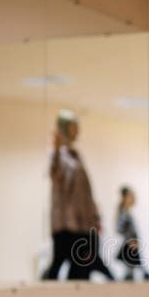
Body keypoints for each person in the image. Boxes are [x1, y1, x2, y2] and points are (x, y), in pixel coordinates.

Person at [44, 110, 114, 282]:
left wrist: (95, 218)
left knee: (82, 268)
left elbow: (85, 195)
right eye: (74, 127)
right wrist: (56, 147)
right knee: (60, 264)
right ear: (65, 128)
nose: (78, 131)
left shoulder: (77, 156)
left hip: (83, 226)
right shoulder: (58, 155)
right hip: (66, 227)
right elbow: (55, 173)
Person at [116, 186, 149, 281]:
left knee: (134, 265)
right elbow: (120, 228)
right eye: (131, 196)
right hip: (130, 243)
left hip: (132, 243)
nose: (134, 199)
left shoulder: (126, 212)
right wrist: (130, 239)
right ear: (126, 198)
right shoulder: (124, 213)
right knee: (133, 265)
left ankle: (139, 276)